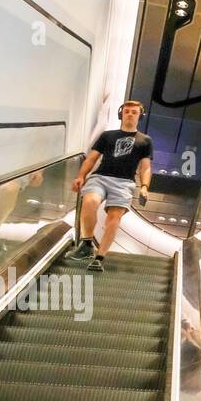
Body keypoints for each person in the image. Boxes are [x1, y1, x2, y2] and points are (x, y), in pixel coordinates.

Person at [69, 100, 153, 272]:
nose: (130, 114)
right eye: (127, 111)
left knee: (114, 218)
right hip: (100, 177)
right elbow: (91, 158)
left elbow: (145, 167)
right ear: (121, 114)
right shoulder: (107, 135)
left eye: (134, 112)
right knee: (90, 202)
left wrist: (144, 186)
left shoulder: (145, 141)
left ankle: (100, 256)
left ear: (140, 116)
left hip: (124, 182)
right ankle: (86, 244)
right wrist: (80, 176)